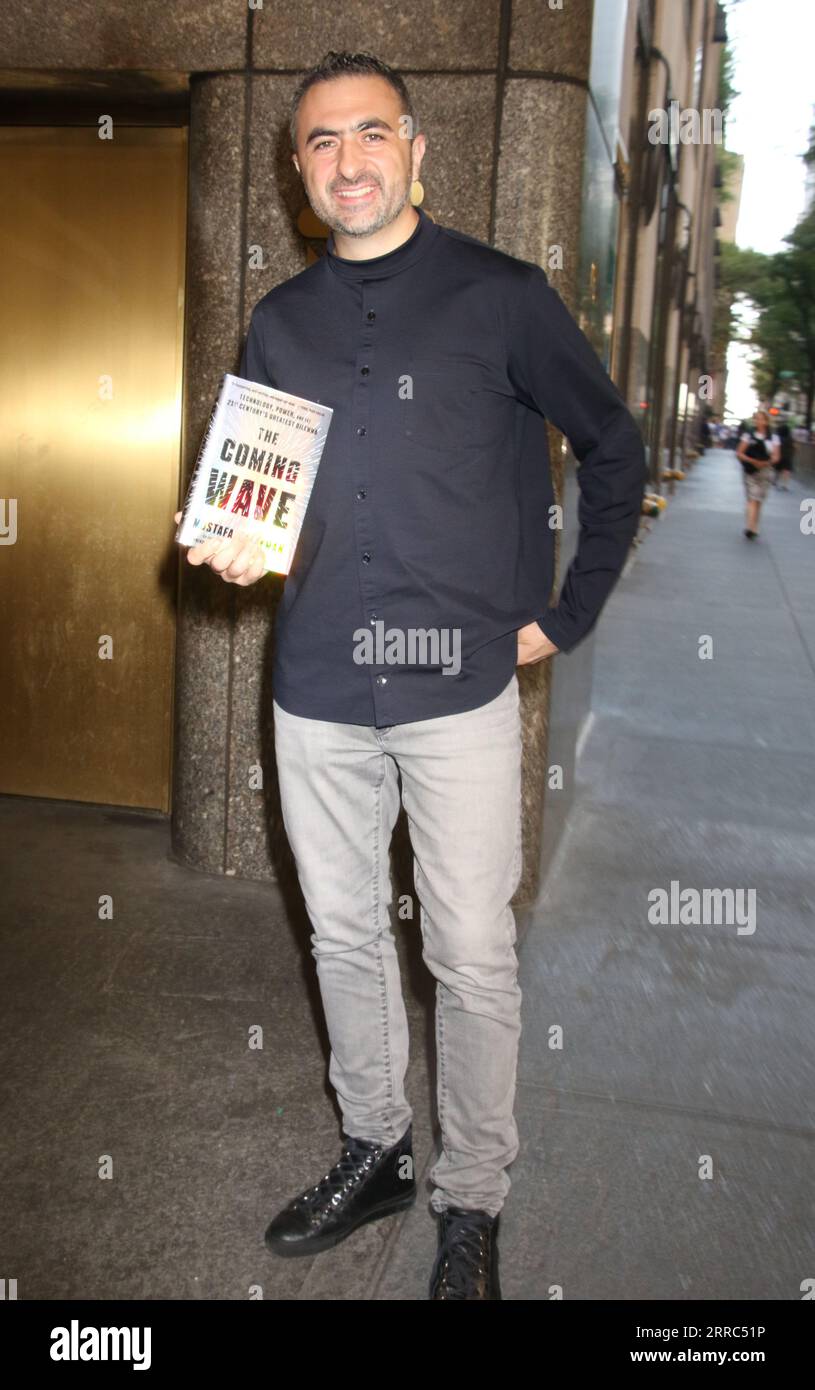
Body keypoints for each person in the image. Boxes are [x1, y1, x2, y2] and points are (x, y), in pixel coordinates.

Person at [174, 50, 646, 1300]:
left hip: (457, 689)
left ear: (416, 148)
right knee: (340, 934)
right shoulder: (277, 325)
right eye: (321, 142)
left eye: (368, 134)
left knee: (470, 957)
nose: (347, 161)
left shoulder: (503, 297)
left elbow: (611, 445)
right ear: (296, 168)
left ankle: (472, 1202)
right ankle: (375, 1147)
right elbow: (262, 501)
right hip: (316, 683)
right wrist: (234, 546)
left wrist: (566, 610)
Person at [736, 408, 780, 539]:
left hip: (766, 472)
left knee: (759, 500)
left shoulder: (773, 437)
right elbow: (739, 453)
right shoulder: (748, 435)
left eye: (761, 418)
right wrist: (752, 461)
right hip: (750, 471)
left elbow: (776, 456)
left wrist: (765, 463)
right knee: (752, 497)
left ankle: (754, 526)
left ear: (766, 421)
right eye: (756, 418)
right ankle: (749, 527)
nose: (758, 421)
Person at [773, 420, 794, 490]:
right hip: (788, 456)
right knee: (787, 471)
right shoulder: (790, 438)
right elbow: (793, 447)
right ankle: (785, 485)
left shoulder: (778, 437)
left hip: (779, 455)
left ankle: (775, 481)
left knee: (777, 470)